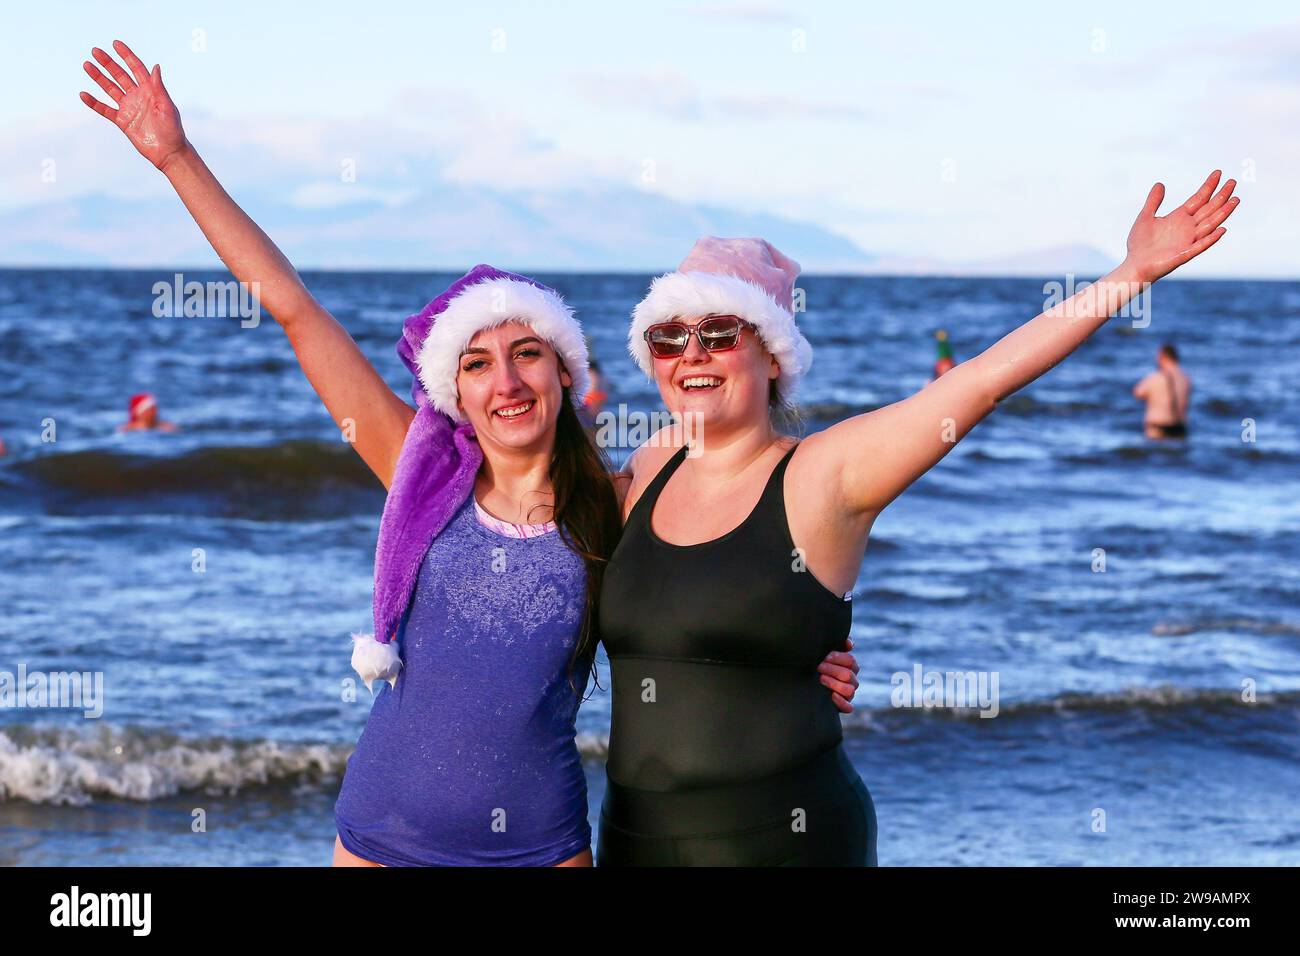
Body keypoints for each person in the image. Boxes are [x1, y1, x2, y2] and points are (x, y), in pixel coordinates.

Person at [80, 40, 860, 866]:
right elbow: (296, 312)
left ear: (566, 373)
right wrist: (176, 157)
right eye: (477, 364)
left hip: (542, 847)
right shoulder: (418, 475)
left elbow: (728, 576)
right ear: (454, 393)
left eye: (527, 354)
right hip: (381, 839)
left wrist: (805, 654)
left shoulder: (617, 504)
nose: (506, 382)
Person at [600, 176, 1238, 865]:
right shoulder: (649, 464)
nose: (691, 353)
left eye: (718, 331)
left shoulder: (826, 473)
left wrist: (1131, 273)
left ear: (772, 354)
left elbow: (982, 381)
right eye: (668, 337)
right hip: (632, 840)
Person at [1133, 343, 1191, 439]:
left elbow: (1138, 392)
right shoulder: (1185, 378)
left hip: (1158, 428)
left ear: (1162, 356)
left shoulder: (1156, 378)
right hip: (1180, 428)